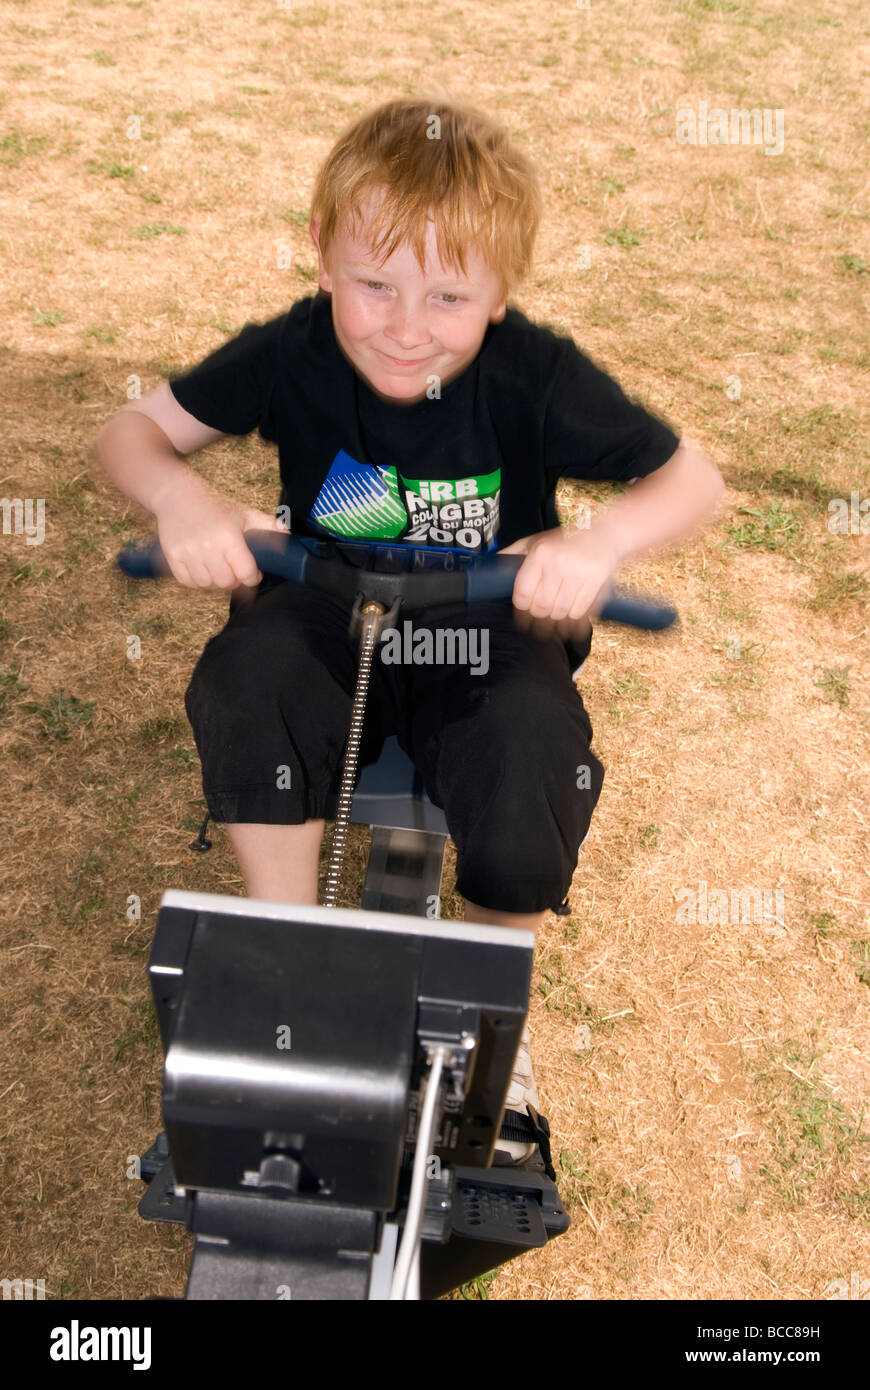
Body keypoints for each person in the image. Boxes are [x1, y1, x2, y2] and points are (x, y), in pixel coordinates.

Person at [96, 96, 725, 1167]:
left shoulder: (532, 372)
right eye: (372, 283)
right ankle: (291, 955)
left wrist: (598, 541)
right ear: (322, 256)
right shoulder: (292, 351)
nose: (403, 323)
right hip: (324, 602)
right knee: (250, 679)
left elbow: (693, 480)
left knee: (530, 746)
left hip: (487, 623)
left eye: (448, 295)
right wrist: (183, 504)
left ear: (501, 291)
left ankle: (490, 1027)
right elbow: (131, 433)